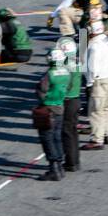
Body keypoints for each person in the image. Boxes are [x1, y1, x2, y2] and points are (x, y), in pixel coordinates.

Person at [35, 49, 70, 181]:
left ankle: (53, 168)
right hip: (60, 107)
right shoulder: (66, 73)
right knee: (57, 137)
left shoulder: (49, 74)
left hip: (48, 108)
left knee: (47, 138)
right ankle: (59, 165)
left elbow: (41, 91)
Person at [82, 20, 108, 150]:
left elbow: (92, 67)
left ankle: (97, 139)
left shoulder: (93, 45)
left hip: (98, 80)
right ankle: (106, 132)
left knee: (95, 111)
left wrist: (89, 83)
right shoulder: (107, 41)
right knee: (105, 107)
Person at [57, 37, 84, 173]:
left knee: (66, 132)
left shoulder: (65, 65)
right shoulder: (77, 62)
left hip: (67, 100)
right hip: (76, 99)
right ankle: (75, 160)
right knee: (73, 132)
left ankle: (70, 162)